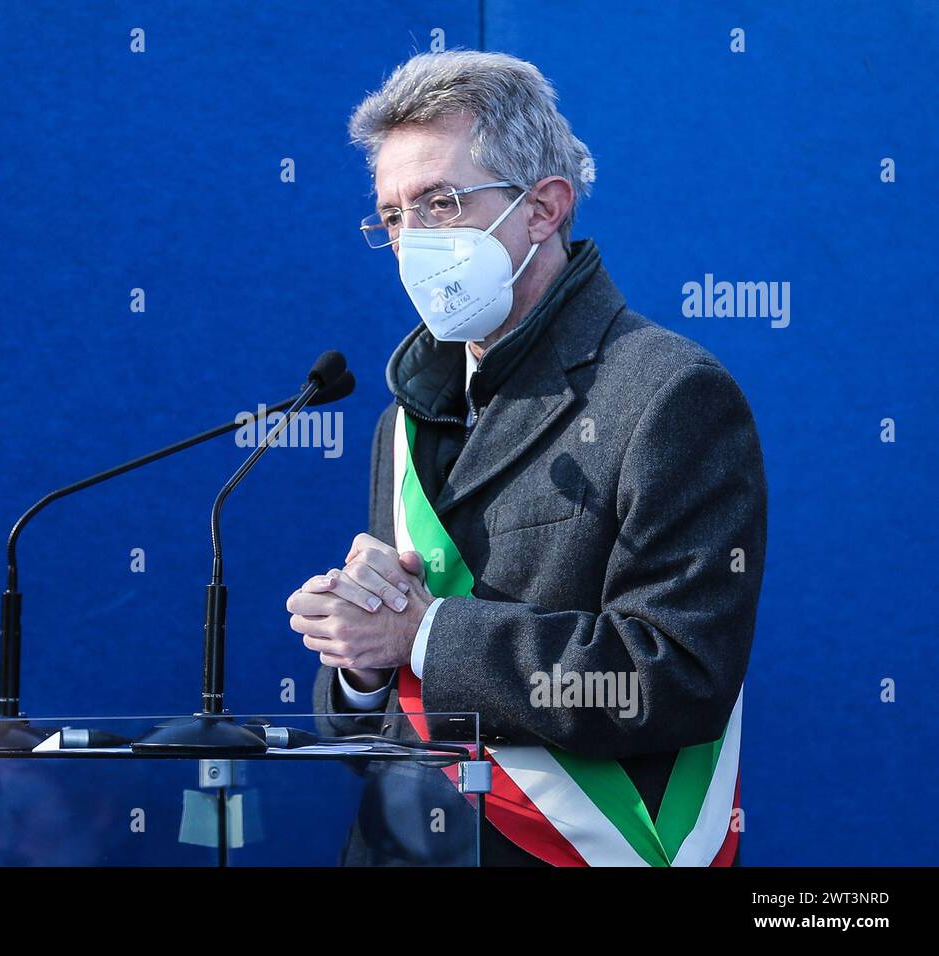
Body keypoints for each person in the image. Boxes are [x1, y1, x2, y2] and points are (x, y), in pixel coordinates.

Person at [285, 50, 765, 867]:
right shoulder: (401, 417)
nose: (412, 241)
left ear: (543, 208)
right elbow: (385, 714)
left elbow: (671, 678)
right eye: (393, 216)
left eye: (440, 202)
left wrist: (424, 634)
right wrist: (361, 659)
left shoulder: (669, 392)